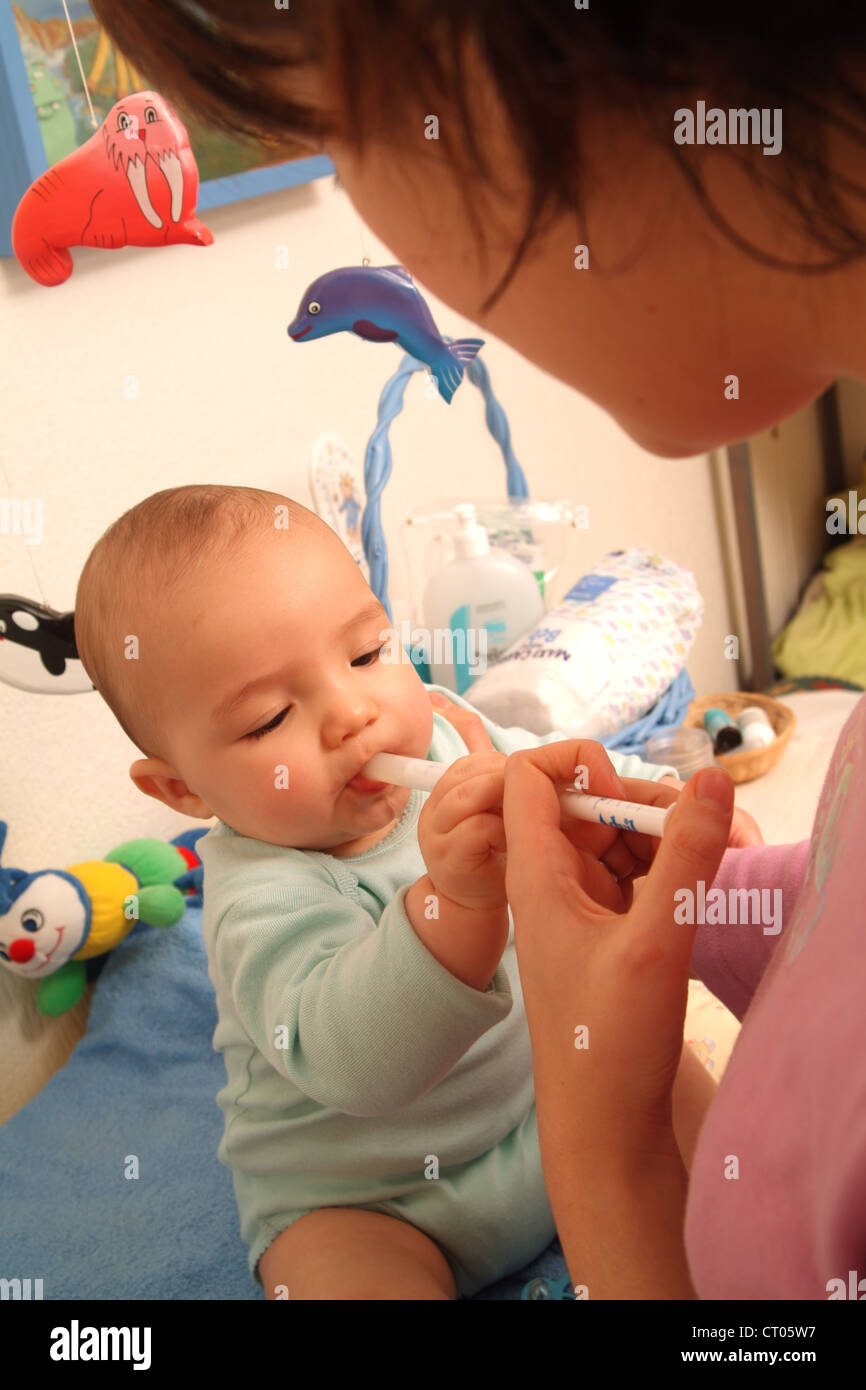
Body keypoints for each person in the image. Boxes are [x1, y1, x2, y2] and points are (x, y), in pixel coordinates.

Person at [88, 1, 866, 1299]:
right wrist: (459, 904)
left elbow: (578, 824)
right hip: (378, 1187)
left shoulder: (463, 740)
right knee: (334, 1270)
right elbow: (349, 1054)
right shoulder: (258, 894)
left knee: (680, 1083)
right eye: (270, 720)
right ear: (177, 791)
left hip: (545, 1110)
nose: (351, 718)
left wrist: (597, 808)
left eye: (371, 650)